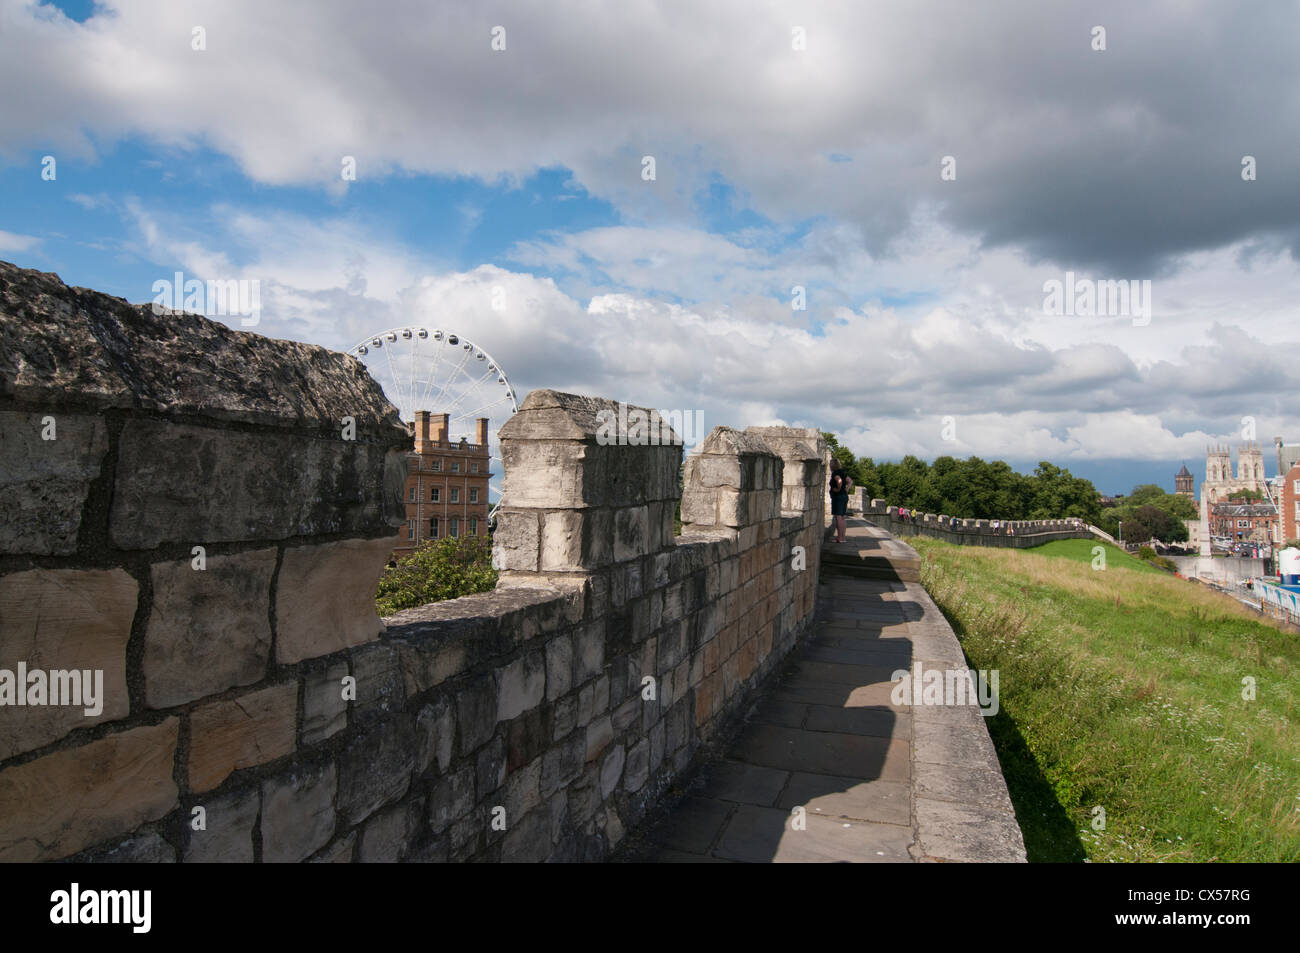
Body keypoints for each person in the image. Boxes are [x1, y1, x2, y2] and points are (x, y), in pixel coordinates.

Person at [829, 466, 853, 543]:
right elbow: (850, 481)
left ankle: (839, 538)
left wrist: (838, 489)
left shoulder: (835, 473)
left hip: (838, 497)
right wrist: (846, 489)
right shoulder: (842, 473)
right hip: (844, 496)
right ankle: (843, 538)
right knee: (842, 517)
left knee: (838, 517)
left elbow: (839, 480)